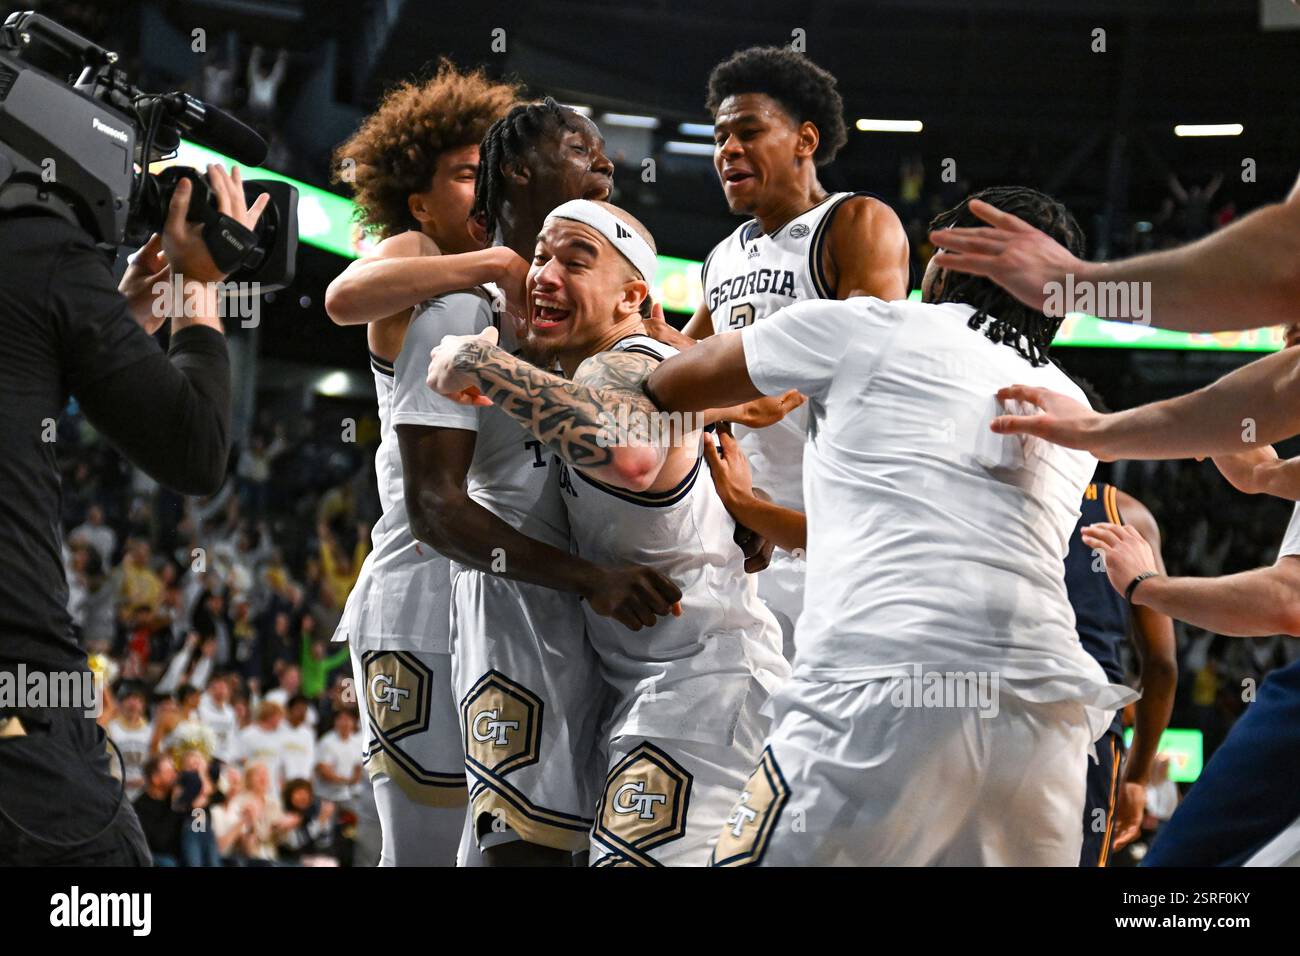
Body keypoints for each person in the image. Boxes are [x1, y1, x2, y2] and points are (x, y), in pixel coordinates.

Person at [555, 186, 1137, 864]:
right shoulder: (1070, 410)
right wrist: (755, 509)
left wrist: (644, 342)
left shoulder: (866, 325)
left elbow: (665, 390)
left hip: (876, 701)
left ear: (948, 259)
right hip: (1046, 737)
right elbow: (905, 535)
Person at [427, 198, 790, 865]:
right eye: (540, 255)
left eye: (575, 260)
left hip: (702, 698)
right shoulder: (609, 370)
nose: (544, 273)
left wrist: (481, 363)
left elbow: (629, 452)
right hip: (679, 698)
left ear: (633, 296)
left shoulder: (622, 361)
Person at [407, 101, 682, 866]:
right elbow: (434, 509)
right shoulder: (460, 308)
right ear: (524, 172)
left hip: (595, 613)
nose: (606, 164)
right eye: (584, 150)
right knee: (521, 847)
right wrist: (587, 576)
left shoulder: (582, 323)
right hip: (516, 602)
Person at [645, 46, 910, 659]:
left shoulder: (855, 222)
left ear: (805, 139)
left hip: (822, 538)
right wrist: (652, 339)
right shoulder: (722, 256)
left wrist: (745, 395)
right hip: (733, 537)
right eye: (719, 138)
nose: (727, 151)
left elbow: (870, 364)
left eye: (749, 131)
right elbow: (692, 368)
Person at [326, 61, 520, 865]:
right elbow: (343, 298)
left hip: (493, 595)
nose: (484, 193)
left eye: (493, 176)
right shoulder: (423, 258)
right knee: (420, 852)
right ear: (419, 200)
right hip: (416, 592)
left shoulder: (510, 284)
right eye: (466, 175)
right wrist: (484, 263)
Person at [1061, 477, 1176, 865]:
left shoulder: (984, 488)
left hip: (986, 705)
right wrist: (1136, 779)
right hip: (1087, 724)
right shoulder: (1128, 515)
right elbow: (1161, 666)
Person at [131, 755, 184, 866]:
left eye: (175, 770)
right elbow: (160, 844)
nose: (176, 775)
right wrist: (175, 807)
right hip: (158, 857)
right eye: (170, 772)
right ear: (155, 779)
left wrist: (198, 806)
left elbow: (199, 829)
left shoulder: (178, 795)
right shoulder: (139, 807)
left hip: (185, 854)